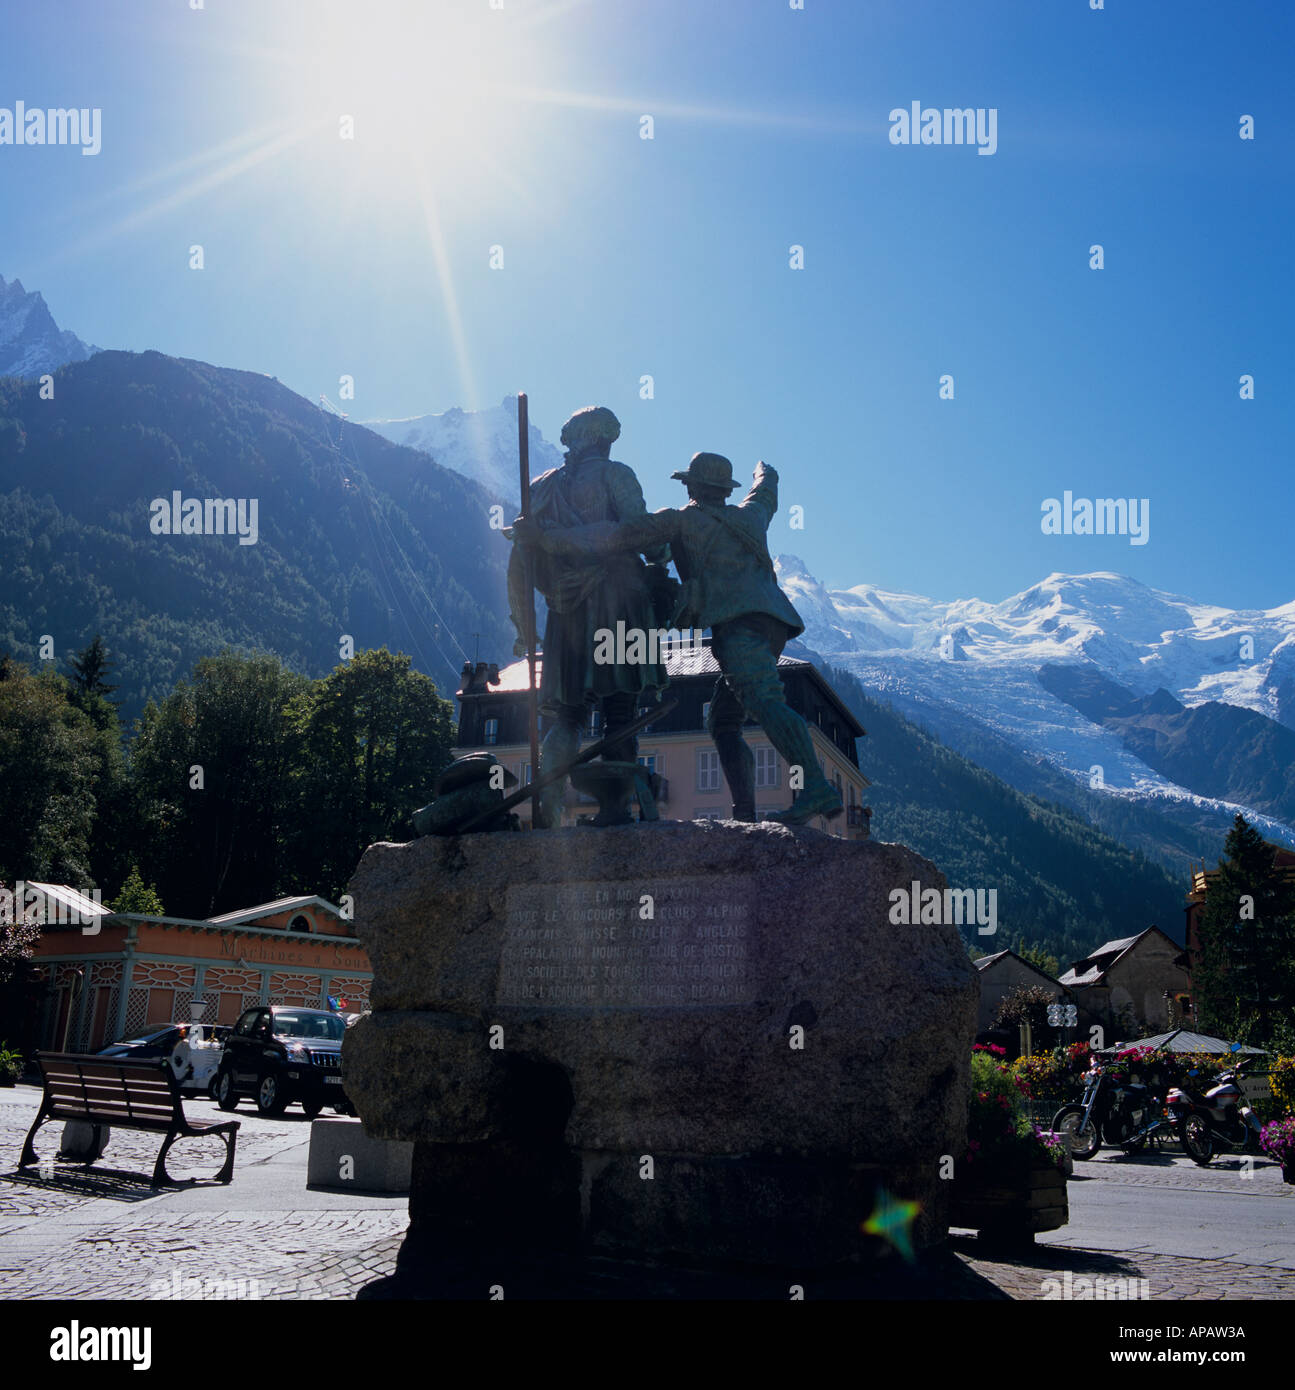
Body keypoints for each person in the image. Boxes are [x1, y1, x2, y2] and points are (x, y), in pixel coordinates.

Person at [520, 452, 844, 826]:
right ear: (724, 489)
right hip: (774, 624)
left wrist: (547, 539)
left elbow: (614, 536)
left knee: (764, 700)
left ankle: (816, 786)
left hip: (739, 626)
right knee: (723, 721)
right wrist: (764, 468)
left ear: (691, 485)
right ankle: (746, 814)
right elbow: (767, 490)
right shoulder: (751, 515)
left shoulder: (680, 521)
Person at [506, 405, 671, 826]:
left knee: (568, 713)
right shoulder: (618, 476)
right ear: (603, 438)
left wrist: (525, 626)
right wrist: (662, 549)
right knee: (621, 707)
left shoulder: (540, 489)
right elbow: (637, 533)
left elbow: (519, 563)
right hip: (623, 602)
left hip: (568, 611)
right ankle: (616, 809)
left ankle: (550, 804)